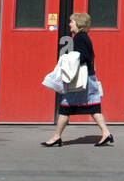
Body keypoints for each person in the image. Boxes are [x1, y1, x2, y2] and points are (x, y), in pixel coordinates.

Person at [42, 13, 114, 147]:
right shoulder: (83, 37)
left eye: (72, 22)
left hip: (82, 80)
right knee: (93, 107)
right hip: (88, 78)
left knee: (65, 106)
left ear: (78, 24)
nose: (70, 24)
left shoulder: (79, 38)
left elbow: (82, 56)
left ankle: (57, 136)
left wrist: (67, 59)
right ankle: (106, 133)